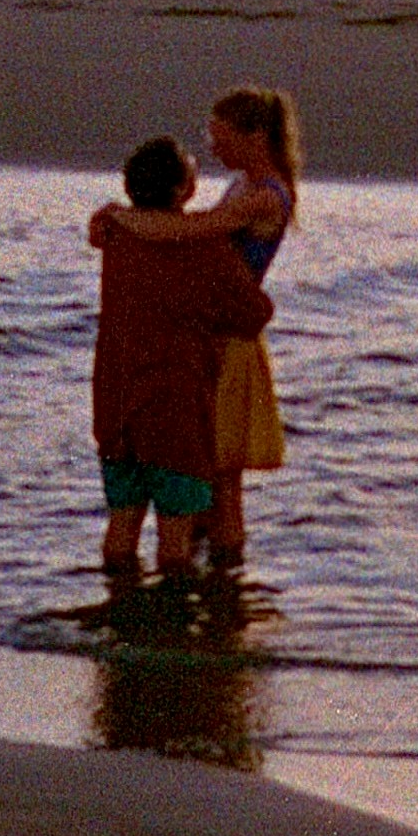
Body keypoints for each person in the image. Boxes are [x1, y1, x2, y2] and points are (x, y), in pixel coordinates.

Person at [98, 84, 303, 570]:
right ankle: (207, 584)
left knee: (224, 478)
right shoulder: (242, 187)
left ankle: (224, 584)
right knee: (204, 474)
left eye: (220, 136)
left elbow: (188, 232)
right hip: (211, 335)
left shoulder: (264, 197)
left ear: (255, 136)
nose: (212, 147)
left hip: (231, 339)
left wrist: (122, 216)